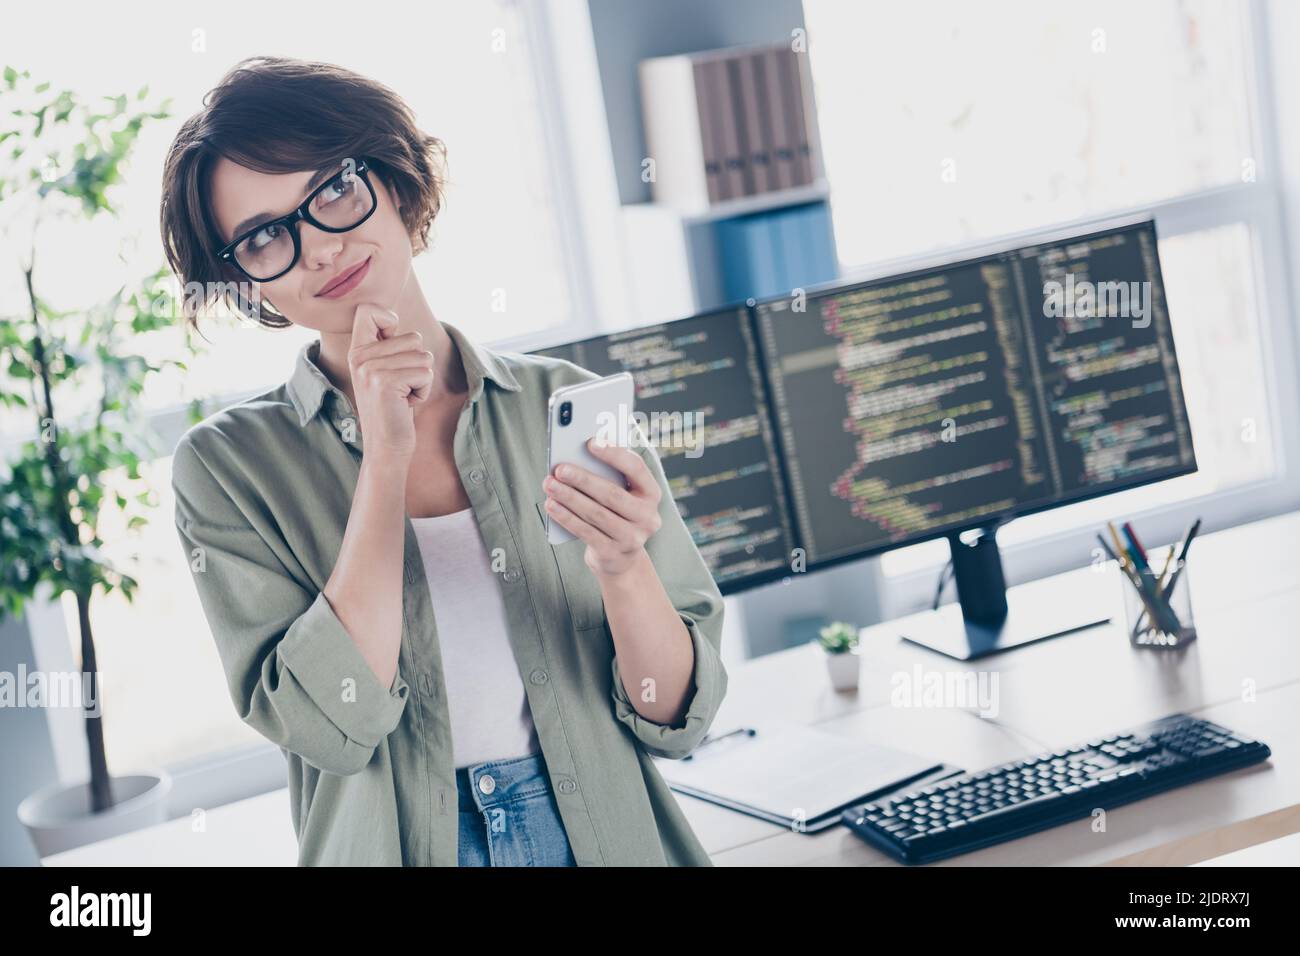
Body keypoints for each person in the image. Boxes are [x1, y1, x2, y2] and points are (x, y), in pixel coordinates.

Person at [158, 56, 728, 866]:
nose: (317, 247)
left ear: (392, 180)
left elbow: (678, 716)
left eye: (331, 191)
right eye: (263, 238)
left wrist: (626, 563)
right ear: (248, 285)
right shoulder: (225, 470)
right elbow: (331, 726)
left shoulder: (560, 406)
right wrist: (385, 459)